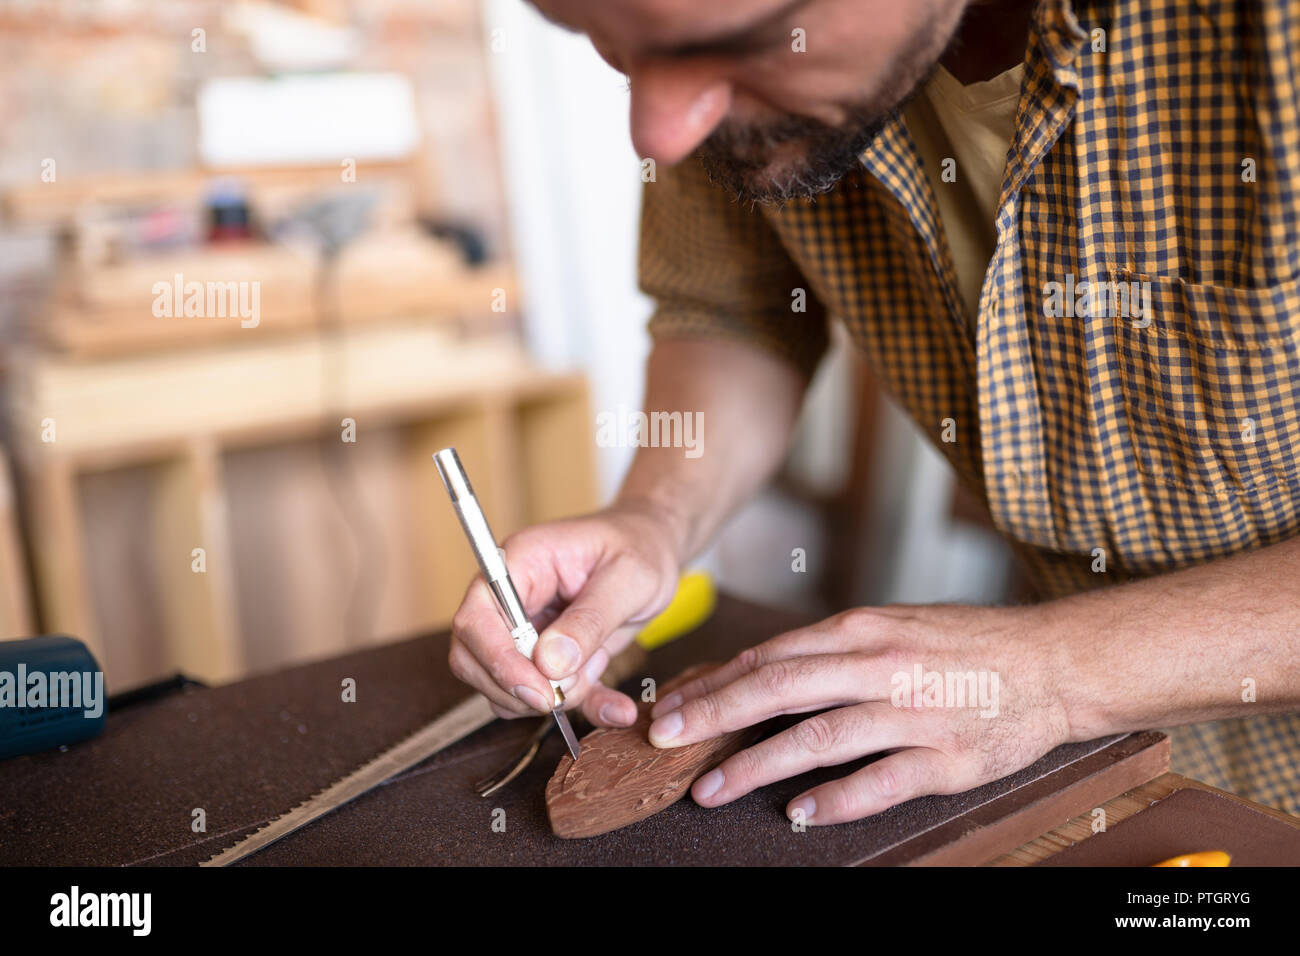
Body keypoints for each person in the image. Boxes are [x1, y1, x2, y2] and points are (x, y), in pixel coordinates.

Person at [449, 0, 1300, 824]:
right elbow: (734, 311)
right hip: (1097, 781)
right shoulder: (705, 72)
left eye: (743, 41)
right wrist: (654, 515)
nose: (660, 131)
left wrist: (1053, 670)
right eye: (604, 40)